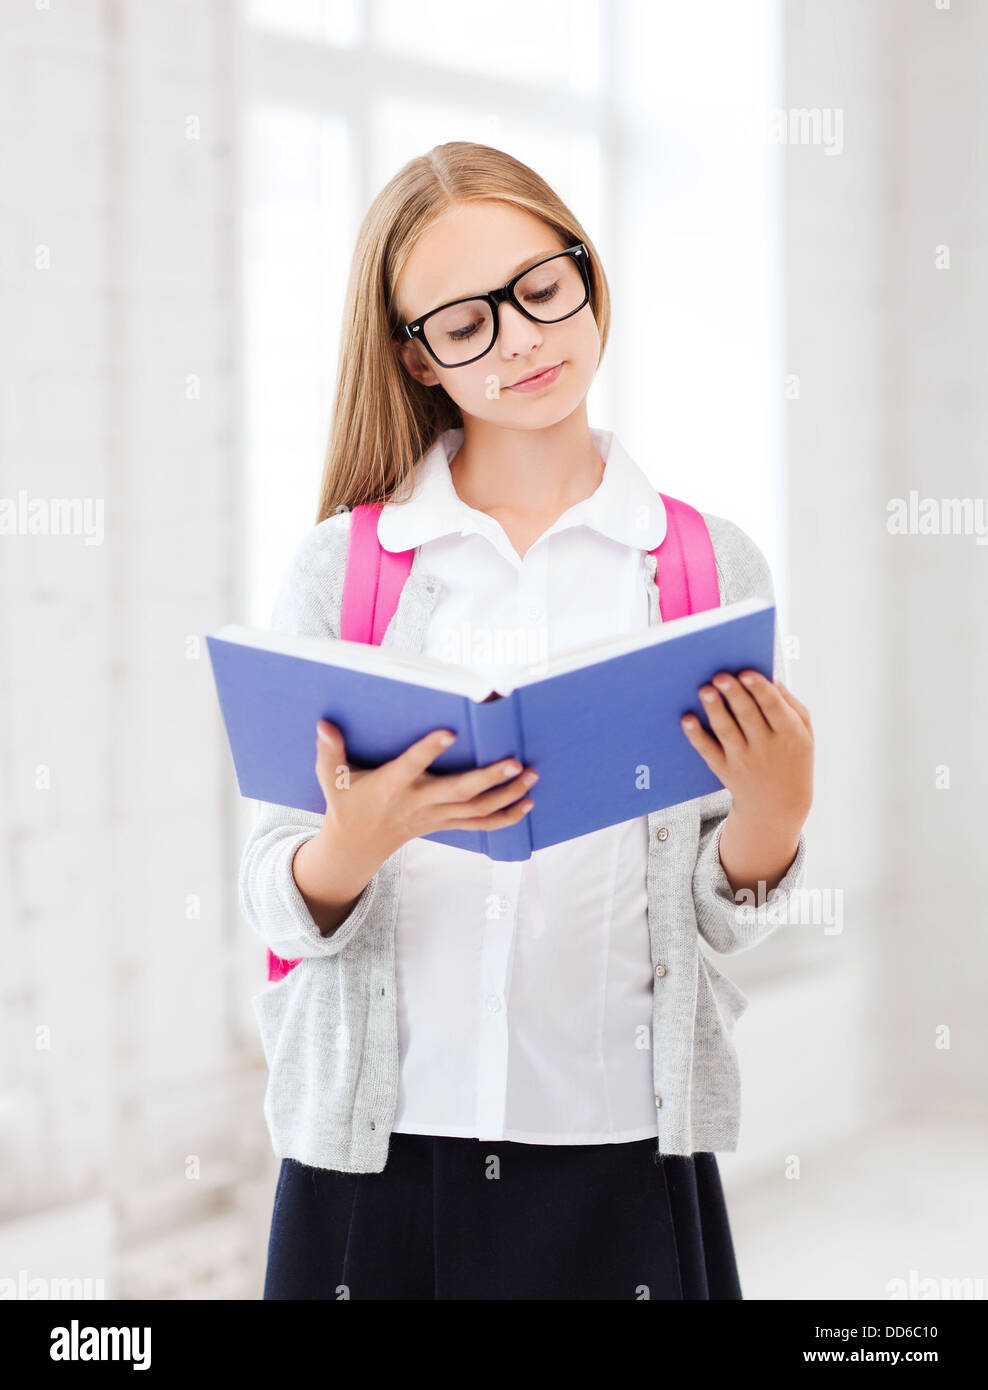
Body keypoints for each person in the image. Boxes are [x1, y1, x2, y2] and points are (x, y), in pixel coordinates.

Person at [241, 141, 814, 1300]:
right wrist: (354, 843)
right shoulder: (349, 574)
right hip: (381, 1153)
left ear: (586, 275)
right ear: (416, 355)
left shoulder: (702, 564)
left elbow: (722, 914)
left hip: (621, 1145)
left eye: (539, 290)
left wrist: (776, 814)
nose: (518, 339)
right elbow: (274, 899)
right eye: (464, 324)